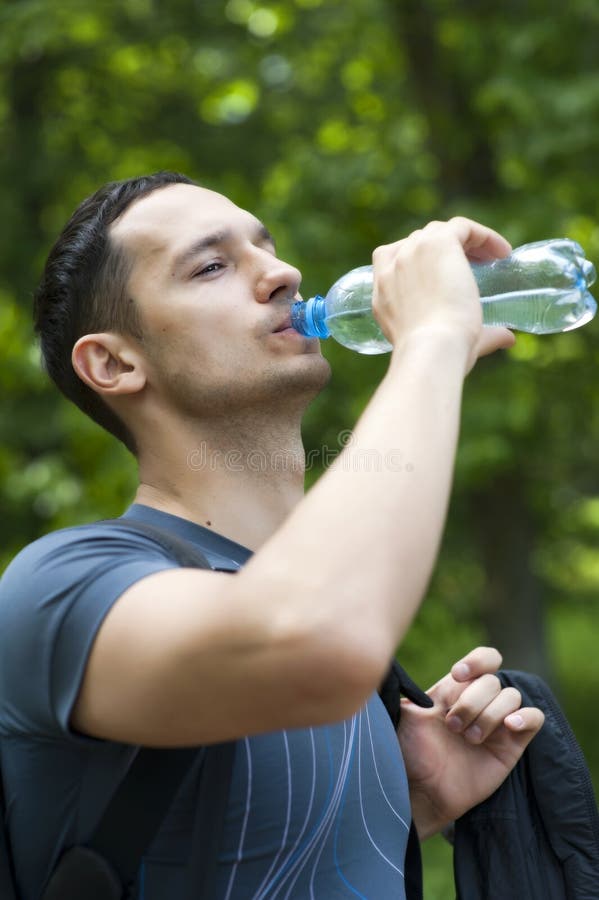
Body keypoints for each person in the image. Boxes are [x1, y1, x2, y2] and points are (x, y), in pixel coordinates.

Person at [0, 171, 544, 900]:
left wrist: (400, 804)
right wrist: (434, 339)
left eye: (267, 247)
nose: (282, 274)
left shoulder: (332, 621)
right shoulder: (63, 584)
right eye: (211, 266)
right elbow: (312, 638)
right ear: (115, 362)